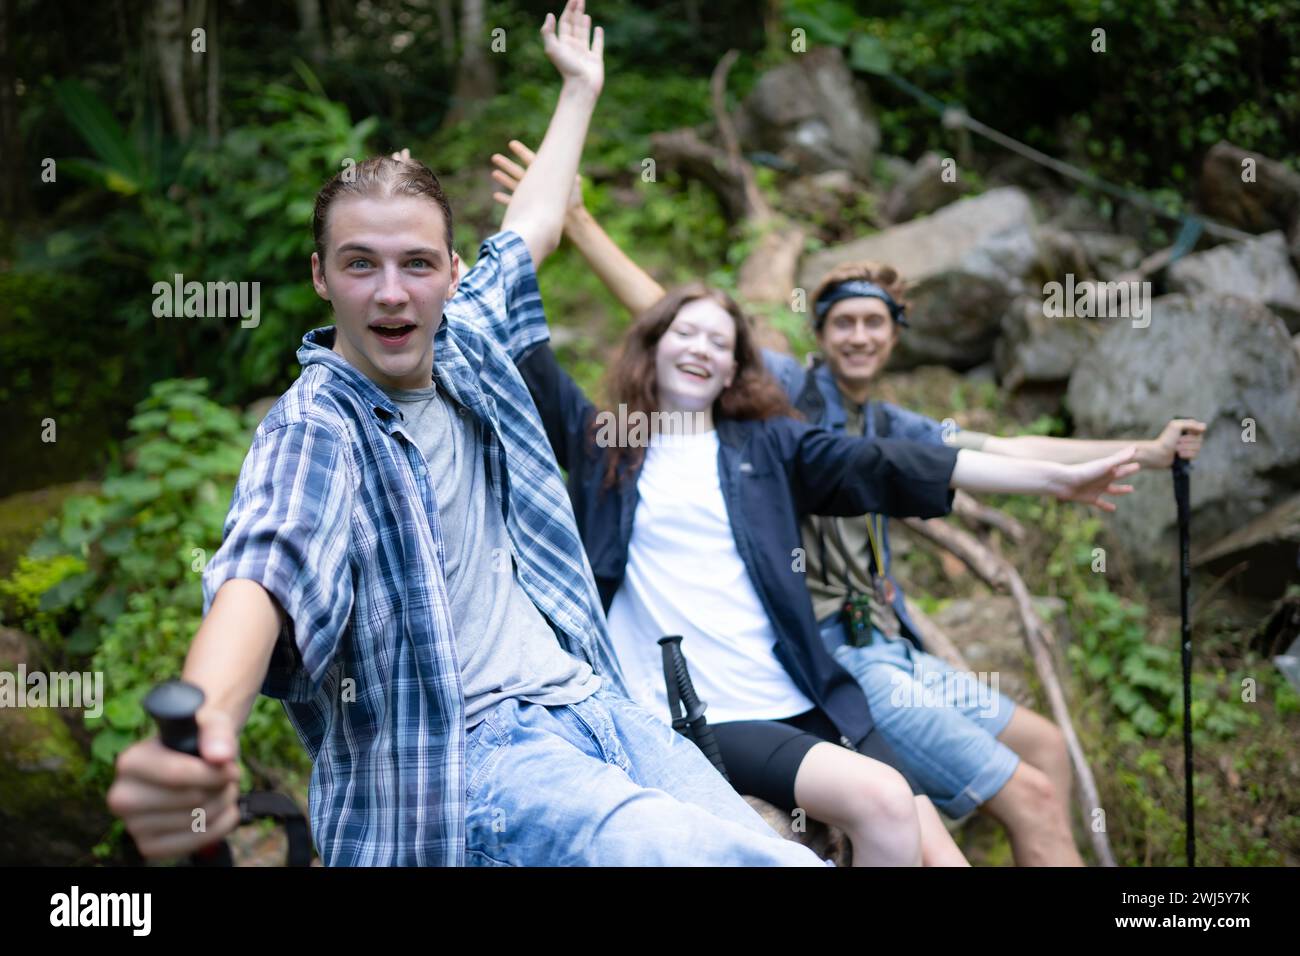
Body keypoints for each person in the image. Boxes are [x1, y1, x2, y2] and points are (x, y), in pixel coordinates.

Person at [106, 0, 826, 868]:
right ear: (321, 278)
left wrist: (577, 90)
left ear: (452, 272)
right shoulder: (317, 428)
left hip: (594, 705)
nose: (391, 293)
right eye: (359, 264)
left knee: (781, 853)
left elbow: (536, 225)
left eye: (416, 264)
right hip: (468, 759)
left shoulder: (468, 339)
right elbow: (263, 574)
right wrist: (203, 733)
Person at [489, 140, 1201, 865]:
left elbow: (982, 452)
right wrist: (573, 222)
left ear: (897, 334)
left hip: (830, 669)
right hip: (802, 664)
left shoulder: (860, 430)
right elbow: (646, 325)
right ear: (815, 340)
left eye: (875, 322)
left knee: (1010, 779)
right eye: (843, 323)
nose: (860, 337)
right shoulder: (774, 405)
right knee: (933, 805)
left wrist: (1130, 455)